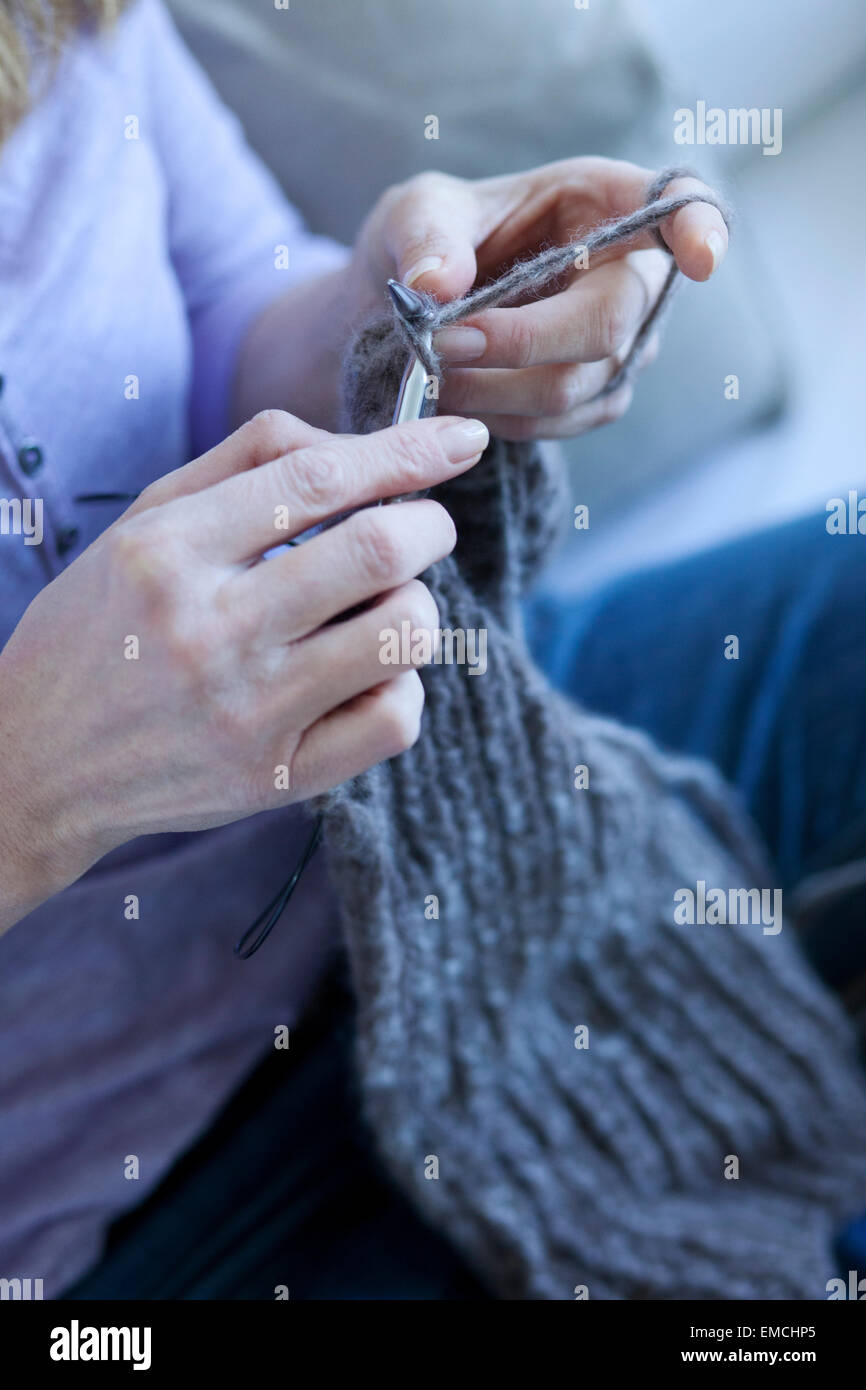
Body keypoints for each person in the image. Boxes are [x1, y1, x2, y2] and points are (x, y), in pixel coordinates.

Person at [8, 0, 860, 1303]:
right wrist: (32, 784)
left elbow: (229, 300)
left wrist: (404, 319)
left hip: (465, 788)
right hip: (138, 1209)